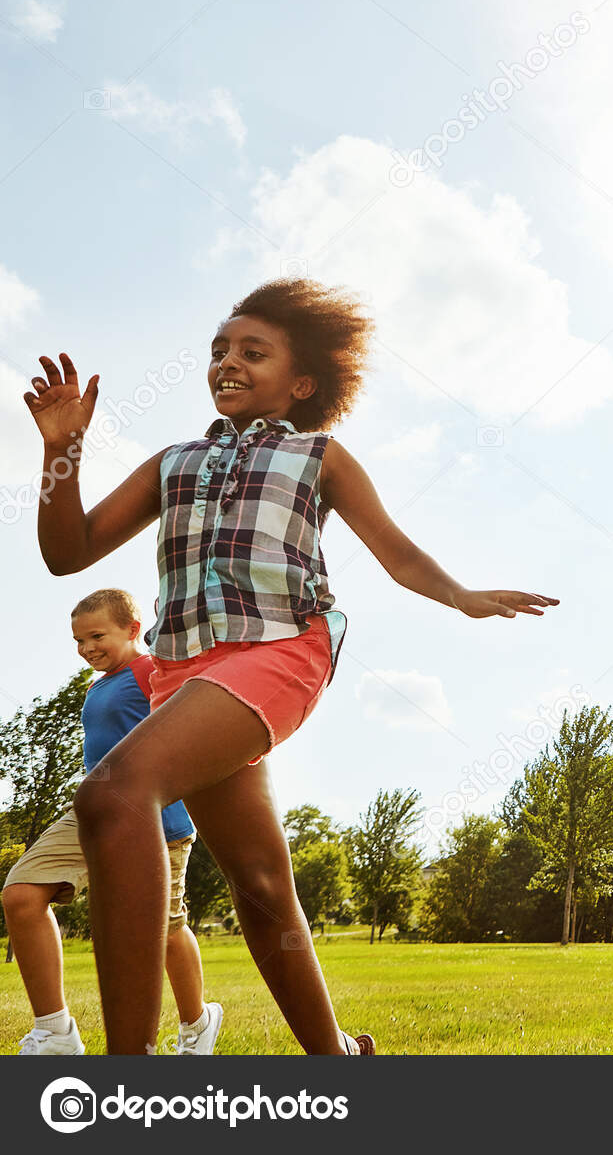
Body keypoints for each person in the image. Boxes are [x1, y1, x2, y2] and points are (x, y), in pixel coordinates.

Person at [23, 277, 558, 1055]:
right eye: (218, 350)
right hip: (186, 671)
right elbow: (65, 553)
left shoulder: (318, 456)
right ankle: (339, 1058)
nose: (227, 361)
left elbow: (398, 554)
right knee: (263, 888)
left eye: (252, 350)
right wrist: (62, 451)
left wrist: (464, 594)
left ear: (302, 381)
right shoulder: (174, 462)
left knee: (114, 795)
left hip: (280, 650)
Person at [4, 589, 222, 1056]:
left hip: (157, 817)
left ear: (132, 629)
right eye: (78, 640)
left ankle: (197, 1022)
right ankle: (56, 1031)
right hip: (95, 810)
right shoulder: (97, 685)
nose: (86, 648)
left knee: (164, 929)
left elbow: (195, 733)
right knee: (21, 895)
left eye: (97, 636)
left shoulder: (152, 672)